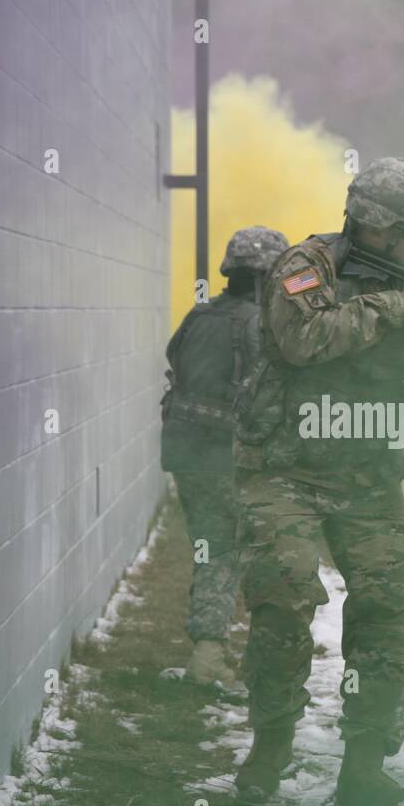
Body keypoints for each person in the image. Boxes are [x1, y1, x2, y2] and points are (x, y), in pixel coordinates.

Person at [232, 158, 404, 806]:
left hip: (367, 474)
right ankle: (269, 750)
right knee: (283, 601)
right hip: (284, 469)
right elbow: (304, 340)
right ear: (378, 227)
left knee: (387, 610)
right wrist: (399, 308)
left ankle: (364, 765)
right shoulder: (305, 267)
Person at [161, 226, 289, 687]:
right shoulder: (262, 324)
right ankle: (260, 668)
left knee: (214, 550)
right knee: (270, 560)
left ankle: (208, 654)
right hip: (233, 459)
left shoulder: (198, 317)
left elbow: (175, 363)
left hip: (186, 454)